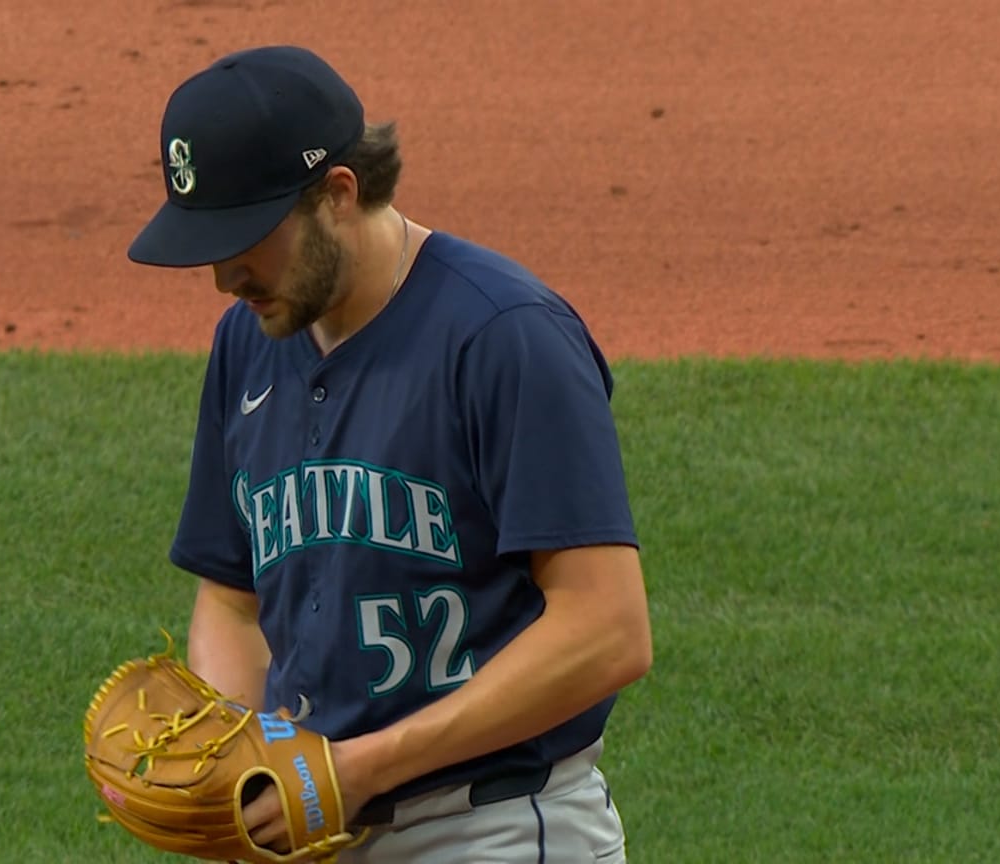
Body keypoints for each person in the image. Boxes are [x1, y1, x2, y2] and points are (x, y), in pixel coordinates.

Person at [127, 44, 653, 863]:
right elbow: (232, 600)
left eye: (247, 237)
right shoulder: (248, 341)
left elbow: (608, 631)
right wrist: (248, 758)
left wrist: (359, 768)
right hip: (322, 834)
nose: (227, 276)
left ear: (338, 193)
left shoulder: (503, 337)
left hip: (491, 829)